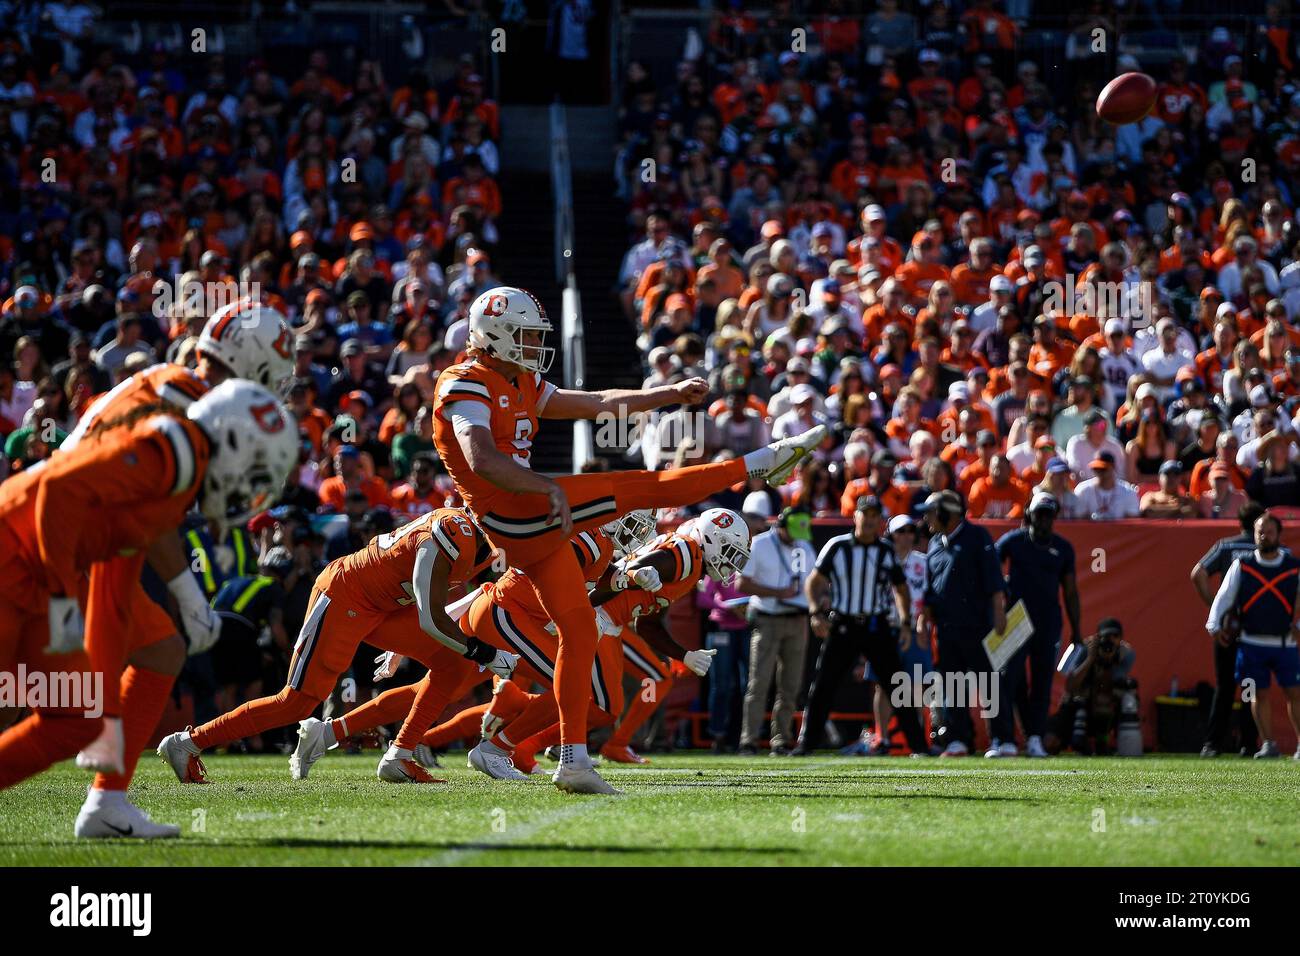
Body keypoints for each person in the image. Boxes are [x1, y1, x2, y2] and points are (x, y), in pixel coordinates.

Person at [430, 286, 825, 793]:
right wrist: (544, 486)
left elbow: (600, 401)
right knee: (642, 488)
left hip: (533, 525)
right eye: (525, 336)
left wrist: (666, 395)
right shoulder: (465, 382)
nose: (533, 346)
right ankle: (758, 463)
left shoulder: (522, 380)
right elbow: (481, 457)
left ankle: (572, 760)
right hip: (509, 512)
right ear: (494, 334)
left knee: (577, 633)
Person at [0, 381, 296, 833]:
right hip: (18, 557)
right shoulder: (171, 449)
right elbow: (58, 488)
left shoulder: (183, 459)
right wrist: (63, 600)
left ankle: (106, 802)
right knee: (41, 708)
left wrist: (187, 595)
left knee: (78, 715)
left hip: (34, 564)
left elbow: (131, 541)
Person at [157, 508, 520, 784]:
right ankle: (186, 742)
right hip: (346, 595)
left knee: (451, 667)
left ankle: (399, 754)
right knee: (297, 701)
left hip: (387, 605)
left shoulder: (479, 542)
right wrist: (486, 653)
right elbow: (431, 615)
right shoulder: (453, 532)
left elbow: (429, 602)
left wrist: (408, 641)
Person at [796, 495, 929, 756]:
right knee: (823, 685)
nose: (868, 520)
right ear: (855, 516)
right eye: (864, 514)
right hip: (844, 623)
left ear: (880, 520)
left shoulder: (884, 550)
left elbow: (901, 588)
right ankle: (807, 744)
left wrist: (904, 622)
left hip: (875, 625)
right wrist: (814, 612)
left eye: (873, 515)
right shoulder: (838, 546)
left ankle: (918, 746)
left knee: (896, 685)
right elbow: (814, 581)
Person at [918, 489, 1009, 757]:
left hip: (978, 624)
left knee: (988, 682)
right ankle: (960, 738)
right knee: (952, 683)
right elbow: (931, 588)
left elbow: (993, 579)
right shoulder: (935, 542)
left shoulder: (977, 537)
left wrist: (999, 612)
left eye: (931, 513)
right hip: (946, 627)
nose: (927, 519)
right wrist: (925, 618)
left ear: (948, 512)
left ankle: (1002, 739)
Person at [1205, 512, 1300, 759]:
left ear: (1279, 535)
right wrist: (1214, 625)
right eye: (1260, 531)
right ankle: (1269, 744)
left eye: (1269, 531)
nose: (1264, 536)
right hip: (1251, 642)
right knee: (1258, 694)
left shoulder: (1293, 566)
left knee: (1294, 692)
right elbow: (1224, 596)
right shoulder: (1243, 564)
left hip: (1285, 643)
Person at [995, 493, 1081, 758]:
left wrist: (1077, 629)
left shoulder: (1063, 548)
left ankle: (1034, 737)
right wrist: (1000, 598)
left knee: (1042, 682)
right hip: (1016, 619)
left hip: (1048, 620)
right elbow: (991, 568)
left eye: (1048, 514)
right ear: (1029, 514)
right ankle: (1004, 738)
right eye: (1039, 513)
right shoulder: (1014, 541)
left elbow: (1070, 591)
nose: (1043, 519)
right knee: (1008, 680)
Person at [736, 506, 816, 756]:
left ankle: (780, 739)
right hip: (768, 619)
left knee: (790, 684)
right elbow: (742, 583)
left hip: (798, 620)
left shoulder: (804, 545)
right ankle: (748, 740)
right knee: (759, 682)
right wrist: (777, 593)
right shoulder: (759, 545)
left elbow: (814, 579)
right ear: (780, 525)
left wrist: (819, 600)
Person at [1191, 501, 1267, 756]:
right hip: (1256, 626)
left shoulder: (1227, 546)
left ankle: (1212, 744)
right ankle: (1249, 742)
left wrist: (1217, 609)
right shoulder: (1265, 549)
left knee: (1224, 686)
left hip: (1228, 626)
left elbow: (1198, 573)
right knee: (1252, 686)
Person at [1046, 618, 1137, 755]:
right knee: (1050, 743)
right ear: (1097, 637)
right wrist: (1090, 659)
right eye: (1106, 636)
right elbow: (1069, 687)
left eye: (1115, 636)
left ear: (1121, 639)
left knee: (1126, 699)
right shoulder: (1083, 648)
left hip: (1104, 709)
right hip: (1075, 707)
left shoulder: (1125, 654)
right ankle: (1076, 740)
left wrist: (1107, 663)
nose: (1110, 641)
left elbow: (1108, 687)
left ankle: (1105, 740)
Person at [1074, 451, 1140, 520]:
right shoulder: (1083, 490)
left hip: (1119, 530)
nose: (1099, 472)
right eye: (1096, 468)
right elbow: (1078, 519)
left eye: (1103, 469)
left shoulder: (1128, 492)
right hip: (1091, 530)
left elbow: (1132, 521)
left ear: (1113, 467)